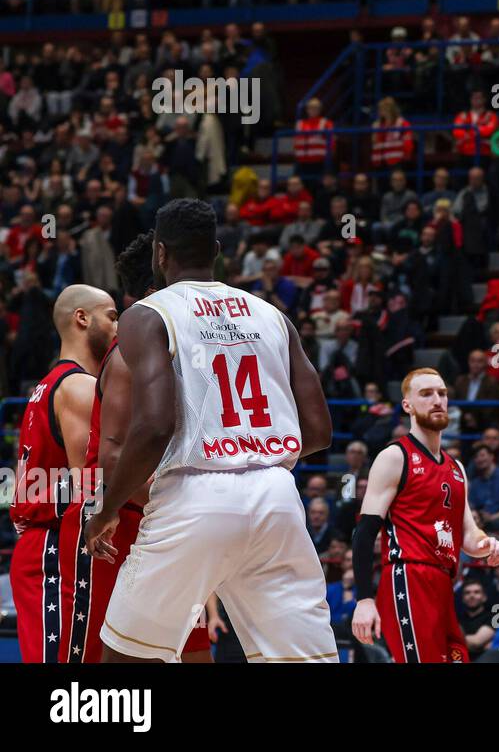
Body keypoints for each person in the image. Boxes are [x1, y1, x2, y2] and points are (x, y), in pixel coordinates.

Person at [84, 199, 338, 663]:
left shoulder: (148, 314)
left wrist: (107, 509)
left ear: (160, 254)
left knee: (127, 657)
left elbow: (155, 425)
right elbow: (319, 431)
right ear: (217, 250)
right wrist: (255, 446)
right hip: (278, 498)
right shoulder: (271, 315)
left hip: (194, 495)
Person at [58, 234, 212, 664]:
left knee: (191, 649)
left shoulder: (173, 347)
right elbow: (111, 457)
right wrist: (187, 507)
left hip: (165, 517)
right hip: (123, 522)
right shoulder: (132, 346)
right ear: (156, 290)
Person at [350, 368, 499, 662]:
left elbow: (470, 537)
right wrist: (364, 599)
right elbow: (364, 532)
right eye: (426, 394)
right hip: (408, 576)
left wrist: (489, 545)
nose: (437, 400)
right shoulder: (395, 456)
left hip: (444, 582)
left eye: (442, 393)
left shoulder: (457, 468)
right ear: (407, 405)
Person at [9, 283, 117, 662]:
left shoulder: (45, 386)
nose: (118, 327)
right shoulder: (81, 386)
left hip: (38, 547)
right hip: (57, 550)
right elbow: (89, 484)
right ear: (82, 318)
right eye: (112, 315)